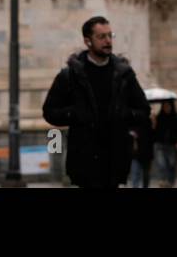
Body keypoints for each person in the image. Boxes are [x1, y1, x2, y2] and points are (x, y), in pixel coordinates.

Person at [42, 15, 151, 189]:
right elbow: (50, 111)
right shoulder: (70, 75)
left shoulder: (124, 74)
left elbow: (143, 110)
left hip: (115, 157)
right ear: (88, 41)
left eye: (110, 35)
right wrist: (75, 114)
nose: (108, 41)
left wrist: (123, 115)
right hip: (84, 157)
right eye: (101, 37)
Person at [152, 100, 177, 186]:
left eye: (168, 106)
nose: (167, 108)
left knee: (172, 164)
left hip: (172, 145)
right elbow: (154, 132)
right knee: (161, 164)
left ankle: (170, 182)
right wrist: (154, 123)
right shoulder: (158, 117)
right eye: (165, 106)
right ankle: (162, 180)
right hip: (160, 144)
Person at [129, 110, 154, 188]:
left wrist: (154, 124)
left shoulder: (149, 121)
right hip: (136, 151)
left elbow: (153, 136)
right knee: (136, 173)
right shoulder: (132, 122)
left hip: (145, 152)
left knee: (144, 174)